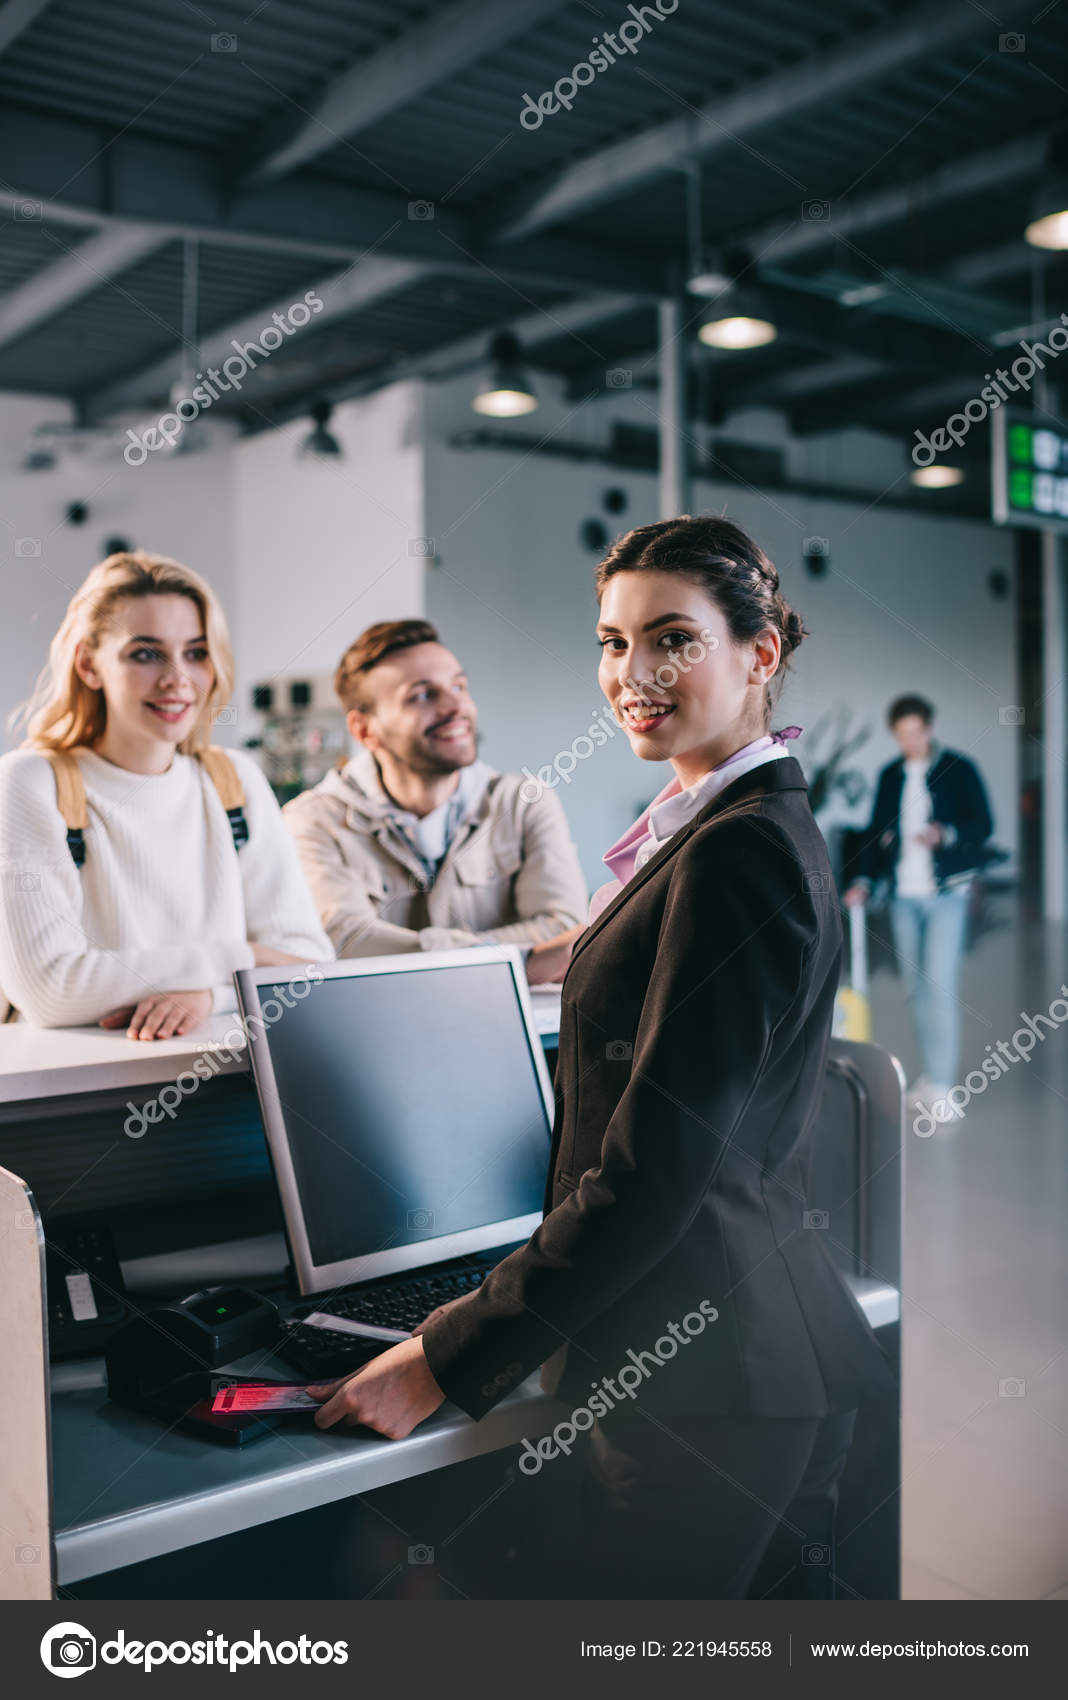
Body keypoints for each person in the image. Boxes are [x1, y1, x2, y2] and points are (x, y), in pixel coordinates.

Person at [309, 515, 897, 1601]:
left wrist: (447, 1354)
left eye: (671, 638)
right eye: (613, 641)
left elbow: (658, 1167)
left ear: (758, 654)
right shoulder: (726, 826)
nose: (632, 673)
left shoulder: (742, 850)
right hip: (735, 1349)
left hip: (708, 1375)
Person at [0, 550, 331, 1035]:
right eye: (145, 653)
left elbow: (311, 967)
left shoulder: (234, 781)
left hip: (239, 1085)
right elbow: (52, 990)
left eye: (196, 652)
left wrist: (209, 996)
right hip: (79, 1094)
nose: (177, 678)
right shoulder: (29, 782)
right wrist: (243, 959)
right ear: (89, 665)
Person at [283, 619, 587, 971]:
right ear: (365, 729)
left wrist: (436, 953)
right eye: (423, 695)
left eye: (459, 686)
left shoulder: (523, 803)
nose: (456, 707)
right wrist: (520, 959)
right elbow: (344, 940)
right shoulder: (313, 820)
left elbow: (565, 931)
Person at [844, 693, 993, 1109]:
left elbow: (983, 824)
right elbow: (875, 834)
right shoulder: (891, 776)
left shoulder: (958, 770)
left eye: (917, 732)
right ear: (896, 734)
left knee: (939, 986)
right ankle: (930, 1077)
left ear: (929, 728)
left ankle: (945, 1088)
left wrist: (945, 834)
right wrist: (863, 880)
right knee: (915, 989)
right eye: (902, 735)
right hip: (903, 897)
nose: (911, 741)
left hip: (947, 895)